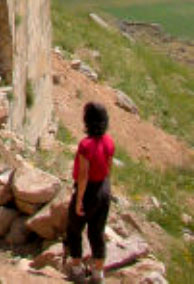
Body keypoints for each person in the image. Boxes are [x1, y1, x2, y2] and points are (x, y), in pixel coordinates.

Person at [66, 101, 115, 283]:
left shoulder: (85, 145)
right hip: (104, 189)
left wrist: (79, 200)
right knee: (97, 232)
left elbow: (83, 175)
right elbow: (108, 167)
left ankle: (77, 270)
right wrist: (107, 189)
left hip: (88, 192)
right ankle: (98, 274)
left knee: (74, 229)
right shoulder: (109, 142)